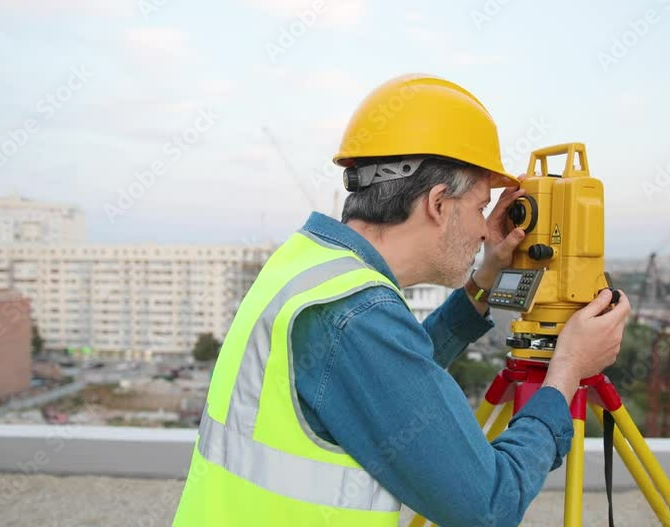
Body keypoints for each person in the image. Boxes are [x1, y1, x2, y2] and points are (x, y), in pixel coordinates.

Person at [172, 74, 631, 526]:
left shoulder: (308, 264)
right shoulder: (357, 317)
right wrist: (567, 371)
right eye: (478, 208)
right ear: (437, 204)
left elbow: (388, 379)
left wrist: (484, 281)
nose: (482, 229)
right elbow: (490, 504)